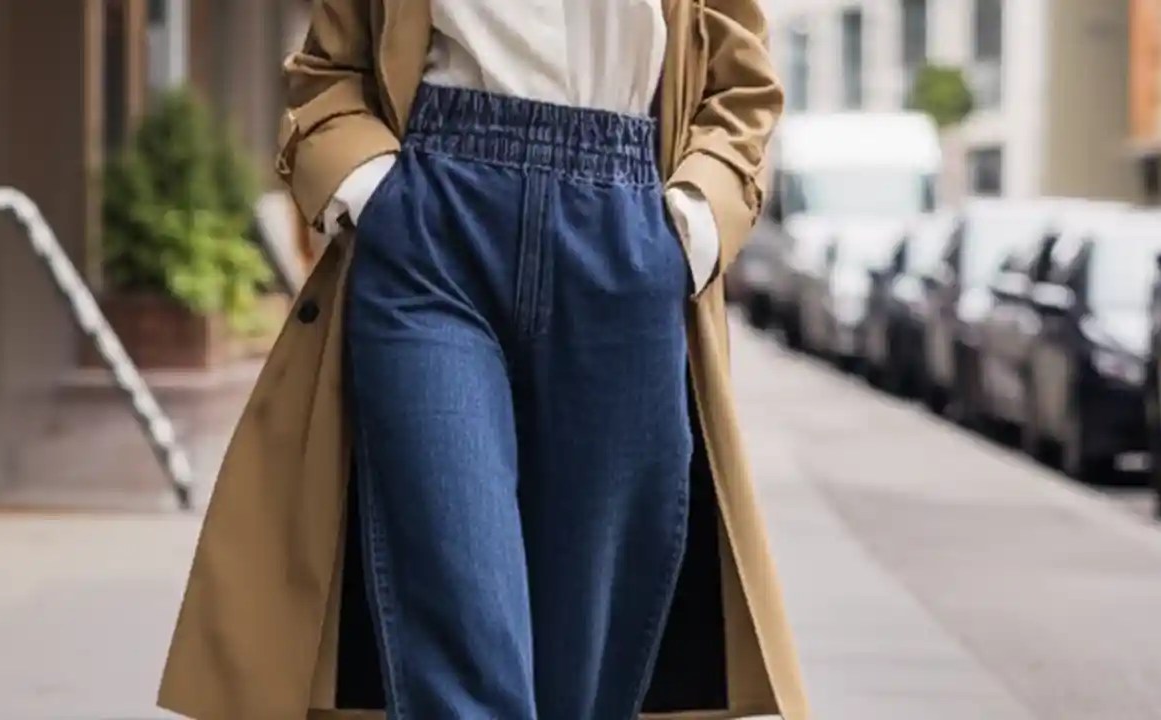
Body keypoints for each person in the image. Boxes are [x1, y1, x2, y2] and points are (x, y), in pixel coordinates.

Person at [158, 1, 810, 719]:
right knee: (462, 630)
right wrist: (377, 194)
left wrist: (689, 227)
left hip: (624, 245)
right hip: (433, 240)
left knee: (586, 675)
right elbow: (329, 69)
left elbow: (740, 84)